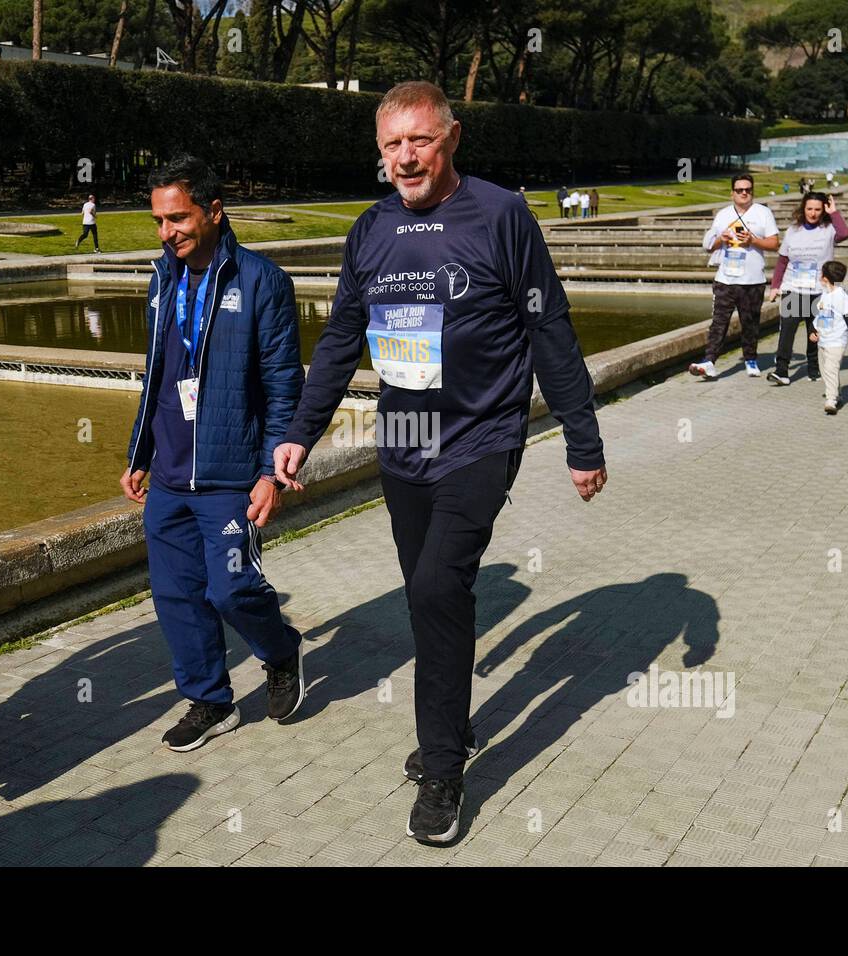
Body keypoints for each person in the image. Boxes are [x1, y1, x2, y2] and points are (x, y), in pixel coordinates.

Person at [272, 81, 606, 846]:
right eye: (392, 144)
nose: (406, 157)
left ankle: (443, 767)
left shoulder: (501, 214)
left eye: (420, 140)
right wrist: (301, 431)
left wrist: (582, 441)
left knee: (434, 586)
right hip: (405, 440)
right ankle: (451, 721)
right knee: (433, 600)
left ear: (452, 138)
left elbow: (549, 328)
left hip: (481, 440)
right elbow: (340, 339)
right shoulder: (371, 229)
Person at [120, 155, 306, 752]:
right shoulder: (162, 280)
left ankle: (281, 650)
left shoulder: (261, 281)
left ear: (214, 211)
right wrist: (140, 451)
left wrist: (270, 473)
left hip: (231, 475)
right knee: (177, 597)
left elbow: (284, 386)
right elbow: (155, 374)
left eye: (177, 218)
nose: (166, 232)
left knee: (231, 590)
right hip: (170, 474)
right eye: (158, 220)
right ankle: (210, 700)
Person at [689, 172, 780, 379]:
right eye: (739, 190)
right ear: (732, 193)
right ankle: (709, 361)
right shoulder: (723, 215)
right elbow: (710, 246)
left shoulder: (763, 213)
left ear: (753, 191)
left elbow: (774, 244)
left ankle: (750, 359)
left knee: (750, 323)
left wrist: (752, 241)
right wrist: (721, 239)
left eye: (748, 190)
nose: (744, 193)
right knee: (719, 322)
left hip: (753, 280)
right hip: (725, 278)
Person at [766, 191, 848, 386]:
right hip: (793, 288)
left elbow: (845, 233)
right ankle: (781, 371)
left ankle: (813, 367)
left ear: (823, 210)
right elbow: (782, 260)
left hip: (819, 290)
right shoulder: (792, 230)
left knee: (815, 331)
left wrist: (834, 212)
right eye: (809, 209)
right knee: (787, 330)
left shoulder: (829, 229)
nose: (813, 213)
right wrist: (775, 286)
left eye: (817, 210)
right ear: (803, 209)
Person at [809, 260, 848, 414]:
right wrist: (813, 330)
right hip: (823, 340)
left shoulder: (841, 296)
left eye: (821, 274)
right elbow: (819, 315)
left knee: (830, 369)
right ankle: (837, 394)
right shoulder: (825, 294)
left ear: (825, 278)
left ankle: (831, 399)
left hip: (837, 341)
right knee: (825, 370)